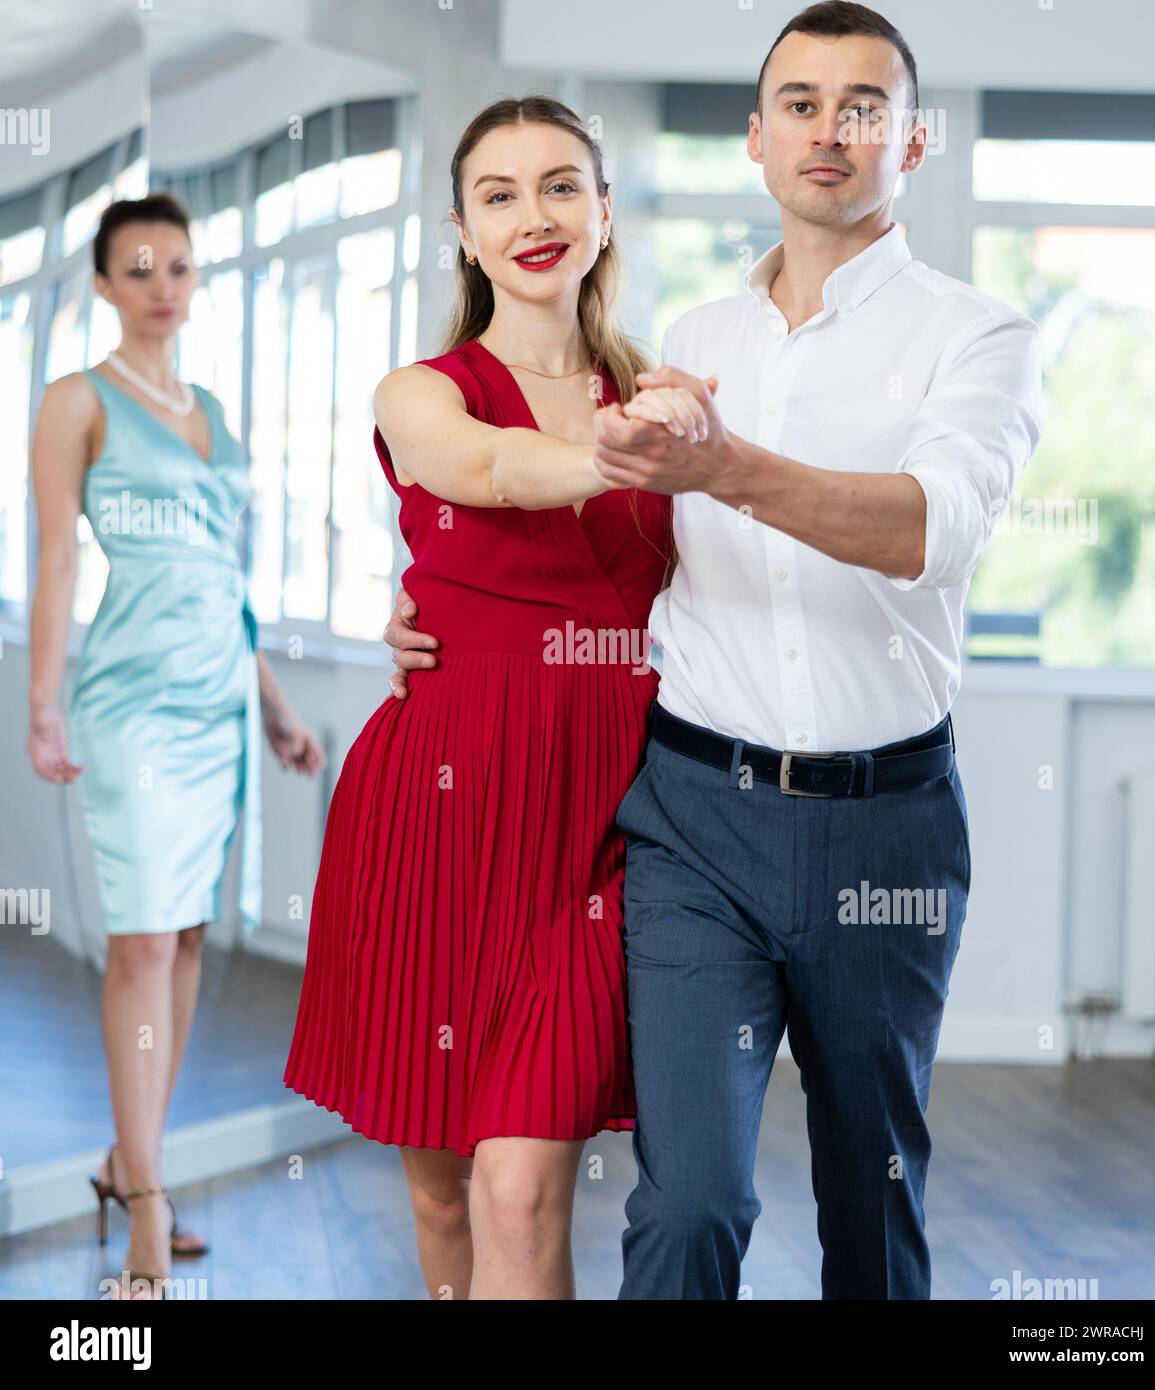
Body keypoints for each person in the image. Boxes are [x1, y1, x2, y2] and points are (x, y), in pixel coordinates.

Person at [385, 2, 1045, 1300]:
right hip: (691, 824)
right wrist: (421, 616)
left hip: (883, 826)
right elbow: (597, 546)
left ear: (911, 140)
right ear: (753, 138)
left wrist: (725, 464)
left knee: (872, 1205)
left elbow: (929, 528)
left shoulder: (978, 335)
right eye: (799, 101)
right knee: (690, 1203)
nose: (830, 128)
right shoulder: (687, 346)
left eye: (865, 105)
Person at [283, 96, 687, 1300]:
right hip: (439, 810)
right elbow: (484, 470)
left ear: (604, 211)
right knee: (438, 1185)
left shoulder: (662, 393)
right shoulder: (422, 392)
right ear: (462, 231)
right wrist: (629, 451)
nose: (534, 216)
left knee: (519, 1181)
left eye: (562, 185)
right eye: (499, 195)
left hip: (610, 820)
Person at [27, 193, 325, 1299]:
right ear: (104, 285)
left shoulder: (214, 413)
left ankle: (128, 1161)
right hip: (132, 703)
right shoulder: (76, 400)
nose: (163, 284)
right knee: (143, 945)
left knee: (189, 939)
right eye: (139, 267)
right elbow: (59, 560)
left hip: (219, 708)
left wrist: (279, 708)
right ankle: (148, 1204)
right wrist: (42, 701)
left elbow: (226, 586)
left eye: (180, 267)